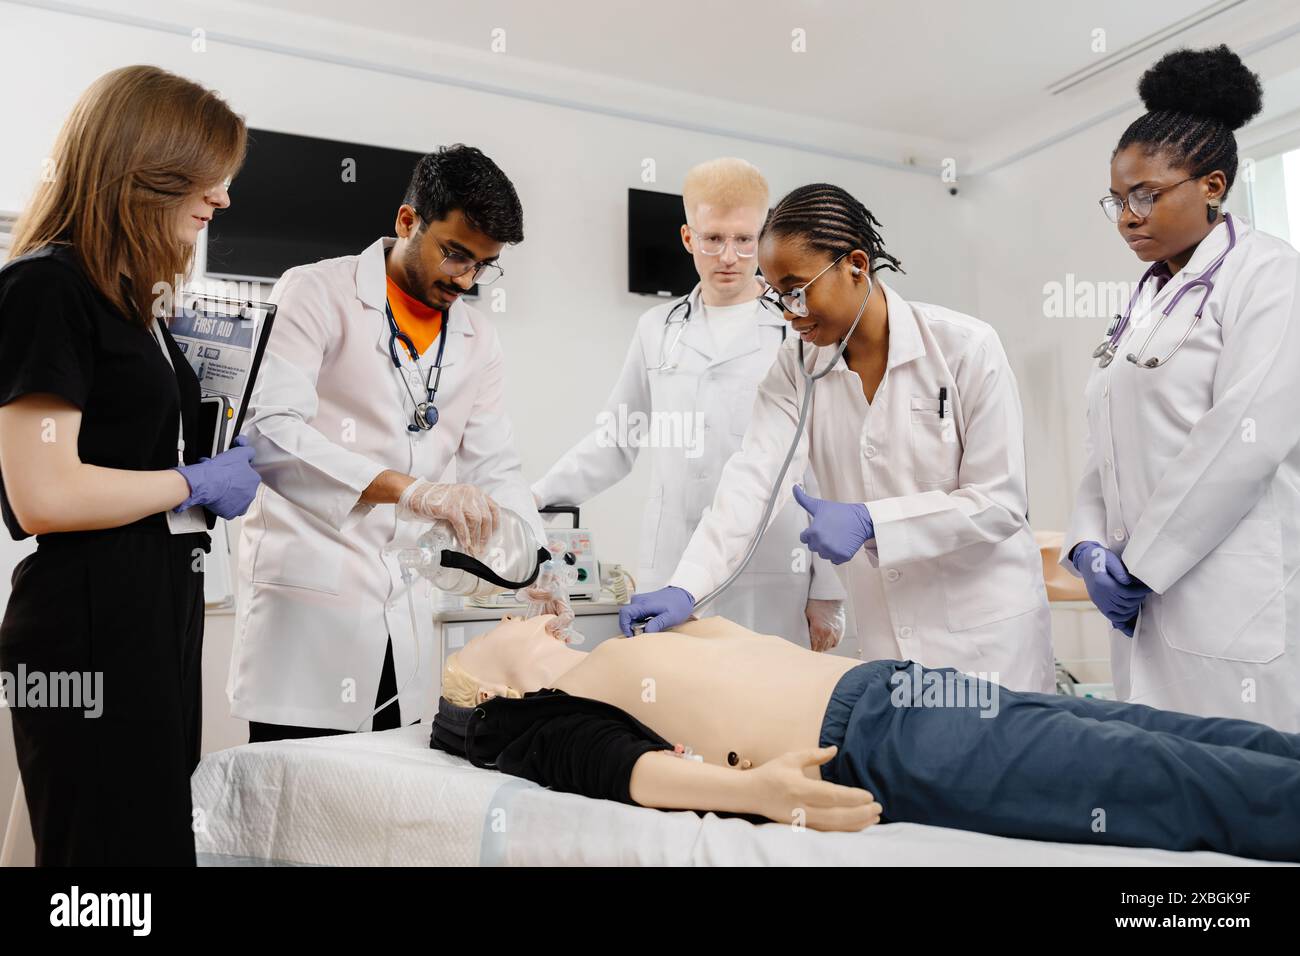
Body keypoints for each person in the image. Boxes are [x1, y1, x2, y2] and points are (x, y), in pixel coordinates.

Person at [621, 184, 1054, 692]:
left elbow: (1000, 503)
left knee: (997, 766)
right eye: (777, 294)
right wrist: (686, 587)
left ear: (855, 265)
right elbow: (751, 484)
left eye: (798, 288)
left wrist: (874, 520)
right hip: (889, 638)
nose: (789, 311)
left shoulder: (965, 347)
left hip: (988, 638)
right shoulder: (796, 368)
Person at [434, 613, 1300, 861]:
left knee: (1159, 730)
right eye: (496, 628)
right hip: (878, 739)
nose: (526, 614)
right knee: (1155, 775)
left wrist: (691, 616)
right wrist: (755, 794)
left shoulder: (621, 648)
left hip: (896, 685)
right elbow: (618, 769)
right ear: (485, 683)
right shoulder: (541, 708)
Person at [0, 66, 260, 865]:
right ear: (145, 167)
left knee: (137, 853)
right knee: (112, 875)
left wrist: (202, 475)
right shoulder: (47, 288)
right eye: (208, 180)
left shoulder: (130, 301)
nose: (220, 201)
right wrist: (191, 483)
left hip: (153, 606)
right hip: (89, 623)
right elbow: (42, 493)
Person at [229, 145, 568, 742]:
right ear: (408, 221)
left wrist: (538, 566)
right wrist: (414, 493)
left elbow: (495, 465)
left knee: (384, 805)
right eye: (456, 254)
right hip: (309, 609)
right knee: (299, 806)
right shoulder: (314, 292)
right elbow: (270, 433)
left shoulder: (477, 336)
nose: (466, 279)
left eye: (483, 266)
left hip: (404, 610)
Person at [1063, 46, 1300, 732]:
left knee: (1246, 790)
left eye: (1147, 195)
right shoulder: (1146, 298)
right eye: (1118, 199)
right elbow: (1103, 434)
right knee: (1159, 783)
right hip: (1143, 597)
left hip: (1229, 593)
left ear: (1213, 185)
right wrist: (1086, 545)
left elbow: (1242, 439)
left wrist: (1142, 563)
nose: (1128, 217)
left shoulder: (1271, 276)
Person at [533, 158, 845, 650]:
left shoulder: (797, 328)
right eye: (712, 238)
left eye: (745, 240)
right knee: (671, 707)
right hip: (672, 561)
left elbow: (824, 459)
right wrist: (534, 496)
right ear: (687, 237)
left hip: (771, 563)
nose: (729, 256)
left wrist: (828, 589)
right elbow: (618, 439)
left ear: (764, 237)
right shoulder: (657, 328)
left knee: (764, 707)